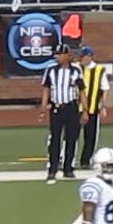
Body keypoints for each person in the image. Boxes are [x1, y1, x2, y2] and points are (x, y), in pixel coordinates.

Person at [39, 44, 84, 182]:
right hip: (56, 108)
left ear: (67, 56)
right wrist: (43, 106)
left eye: (59, 54)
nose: (57, 57)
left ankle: (68, 168)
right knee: (55, 139)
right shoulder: (51, 69)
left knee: (71, 138)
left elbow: (82, 90)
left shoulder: (76, 69)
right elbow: (46, 88)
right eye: (56, 54)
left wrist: (85, 110)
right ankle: (52, 169)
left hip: (71, 107)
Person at [77, 46, 110, 170]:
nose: (81, 59)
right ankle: (66, 160)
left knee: (90, 136)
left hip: (93, 108)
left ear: (89, 57)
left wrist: (103, 106)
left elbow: (104, 89)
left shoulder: (99, 70)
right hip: (76, 108)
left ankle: (86, 160)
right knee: (71, 135)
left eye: (83, 56)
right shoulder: (77, 69)